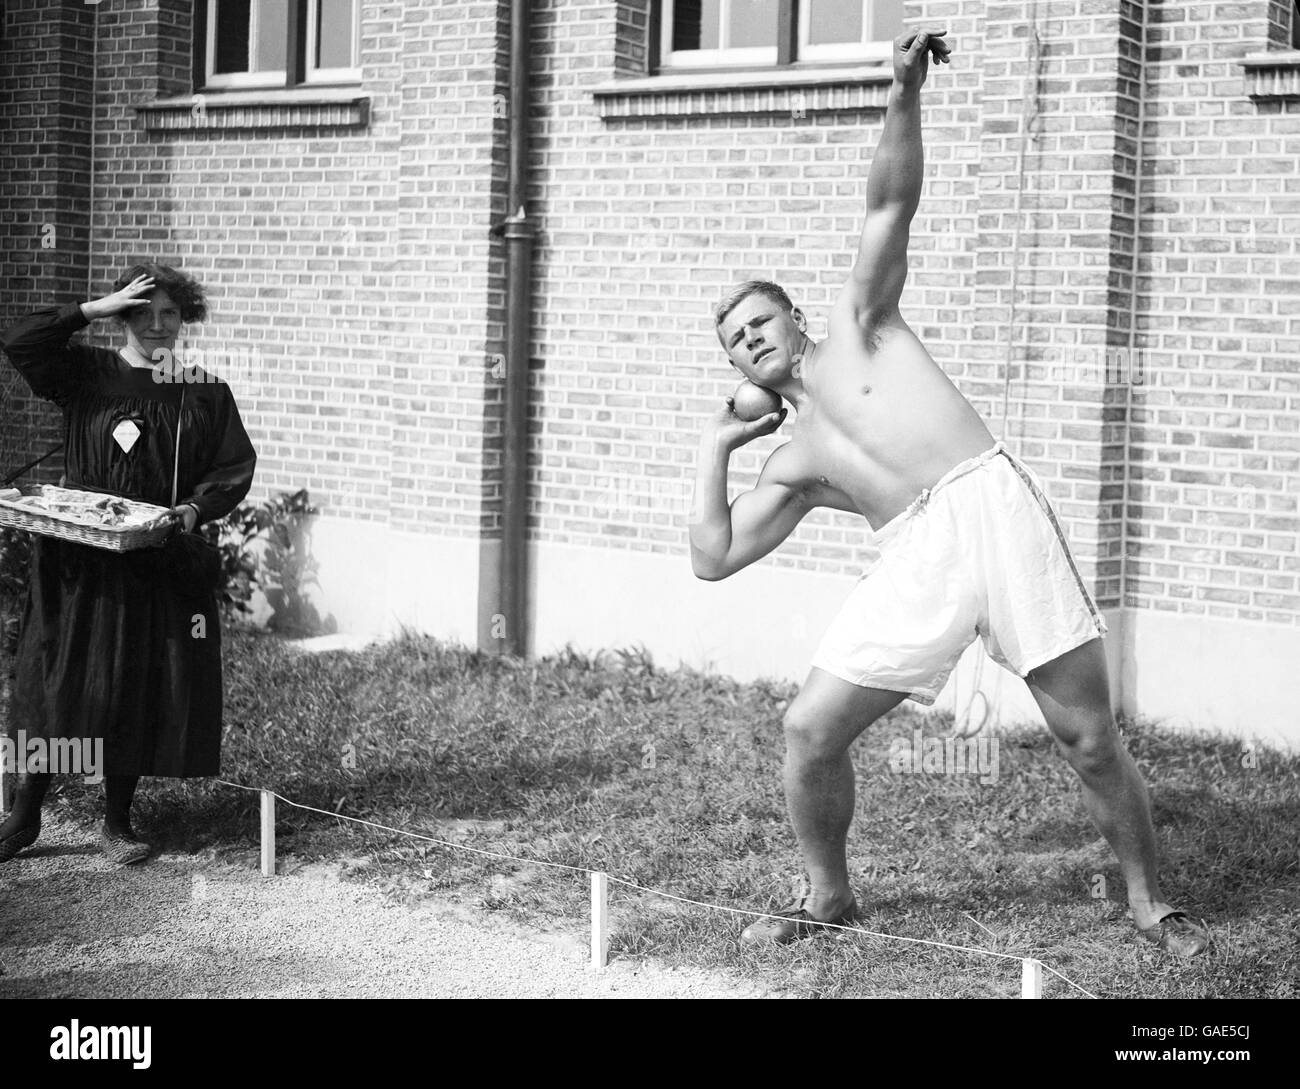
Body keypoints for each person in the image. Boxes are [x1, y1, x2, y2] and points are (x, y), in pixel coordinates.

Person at [688, 30, 1209, 956]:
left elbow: (891, 199)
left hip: (989, 506)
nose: (751, 340)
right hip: (914, 555)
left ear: (794, 315)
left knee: (1086, 736)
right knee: (807, 728)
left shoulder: (861, 324)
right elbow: (714, 558)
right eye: (734, 340)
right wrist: (719, 445)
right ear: (734, 366)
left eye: (759, 320)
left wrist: (902, 92)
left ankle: (1147, 901)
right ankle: (828, 897)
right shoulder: (793, 459)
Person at [0, 263, 257, 865]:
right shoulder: (84, 376)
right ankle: (26, 812)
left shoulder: (203, 391)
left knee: (135, 682)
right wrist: (91, 308)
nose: (158, 325)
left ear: (184, 318)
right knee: (58, 679)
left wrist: (191, 511)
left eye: (169, 313)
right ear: (122, 316)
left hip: (154, 558)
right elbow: (18, 339)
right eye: (142, 312)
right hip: (78, 561)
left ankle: (117, 819)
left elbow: (232, 467)